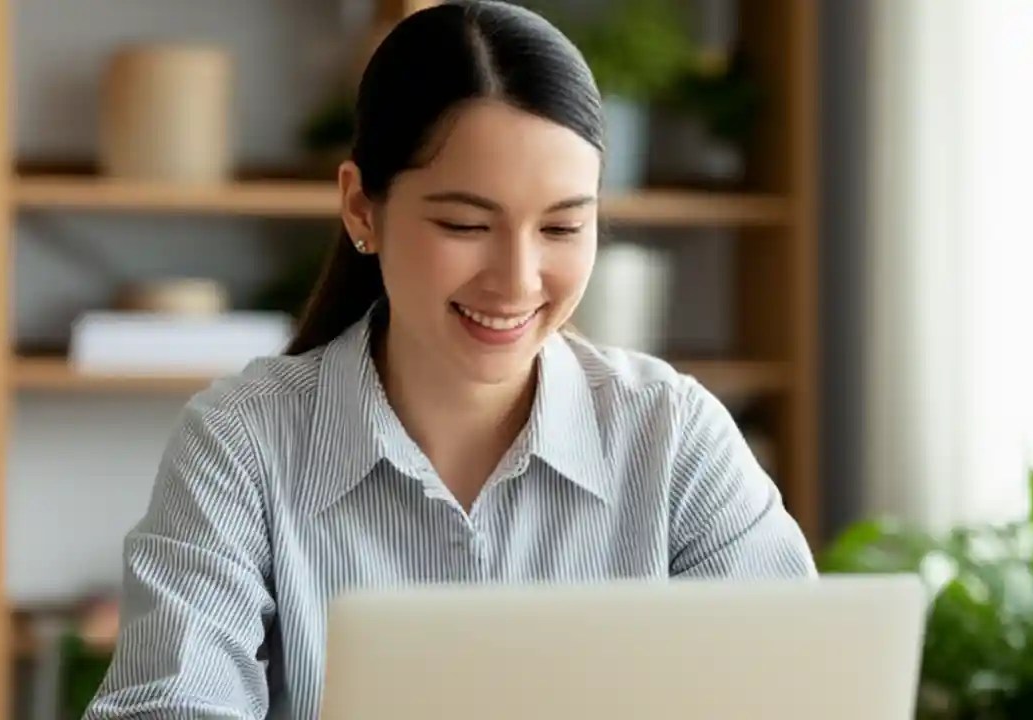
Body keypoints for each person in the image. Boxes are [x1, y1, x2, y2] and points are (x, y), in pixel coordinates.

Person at [84, 2, 816, 718]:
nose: (518, 279)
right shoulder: (243, 443)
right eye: (466, 223)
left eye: (563, 226)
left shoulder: (673, 437)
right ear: (361, 209)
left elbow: (803, 690)